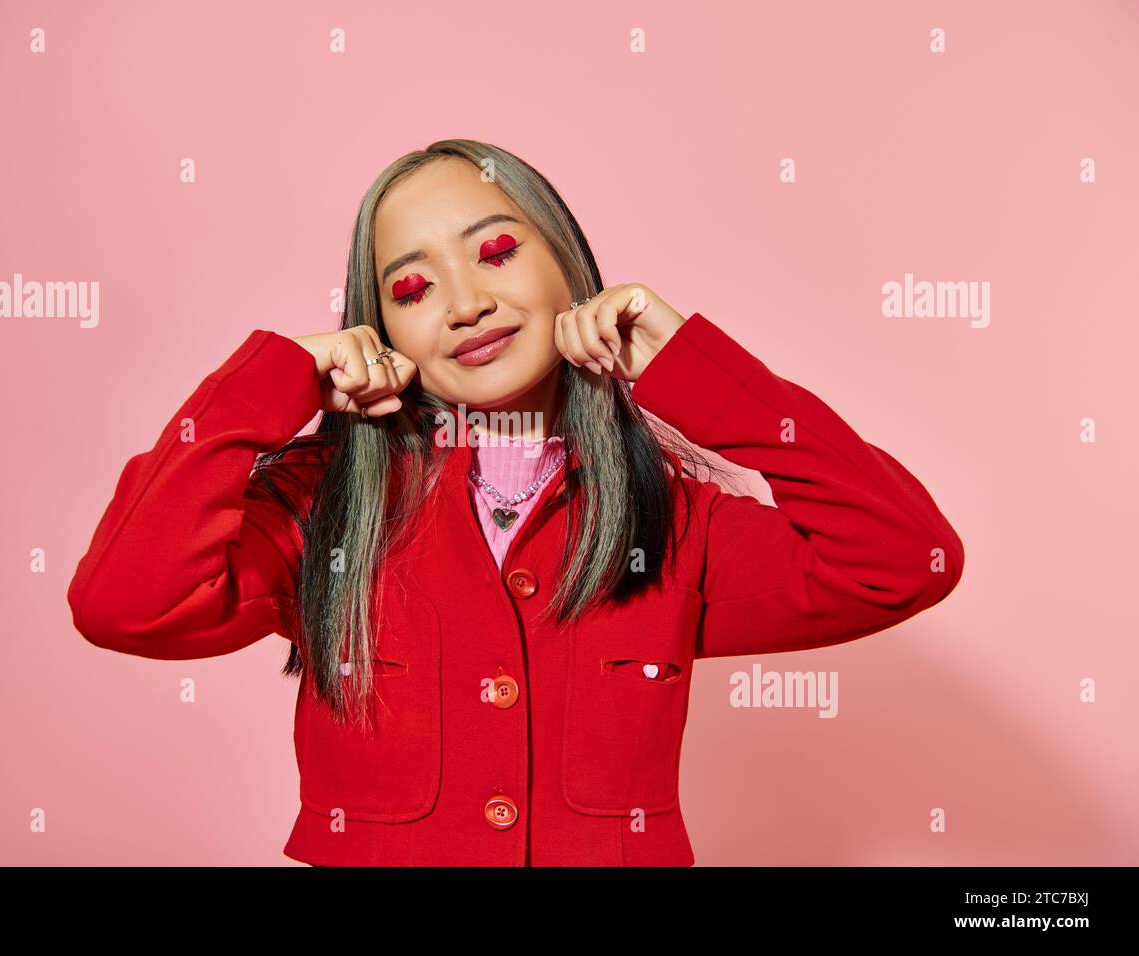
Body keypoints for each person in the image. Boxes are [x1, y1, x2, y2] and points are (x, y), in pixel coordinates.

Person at [66, 138, 964, 866]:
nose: (466, 303)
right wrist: (270, 385)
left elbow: (903, 560)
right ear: (379, 331)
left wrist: (693, 369)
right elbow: (124, 605)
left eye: (496, 252)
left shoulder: (674, 525)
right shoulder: (322, 510)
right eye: (412, 288)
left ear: (570, 270)